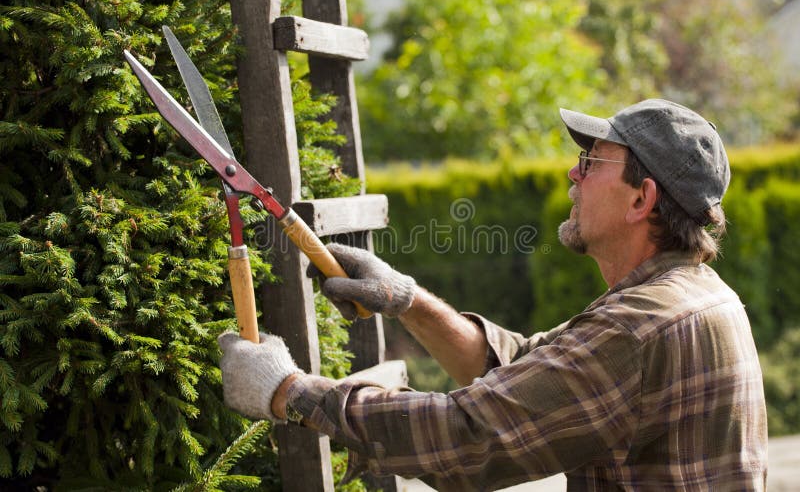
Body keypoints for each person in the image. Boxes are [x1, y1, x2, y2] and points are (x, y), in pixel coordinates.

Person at [218, 99, 768, 490]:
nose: (572, 175)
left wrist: (289, 391)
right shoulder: (693, 297)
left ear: (640, 199)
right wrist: (408, 299)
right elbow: (528, 371)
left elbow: (468, 439)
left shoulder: (639, 327)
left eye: (592, 162)